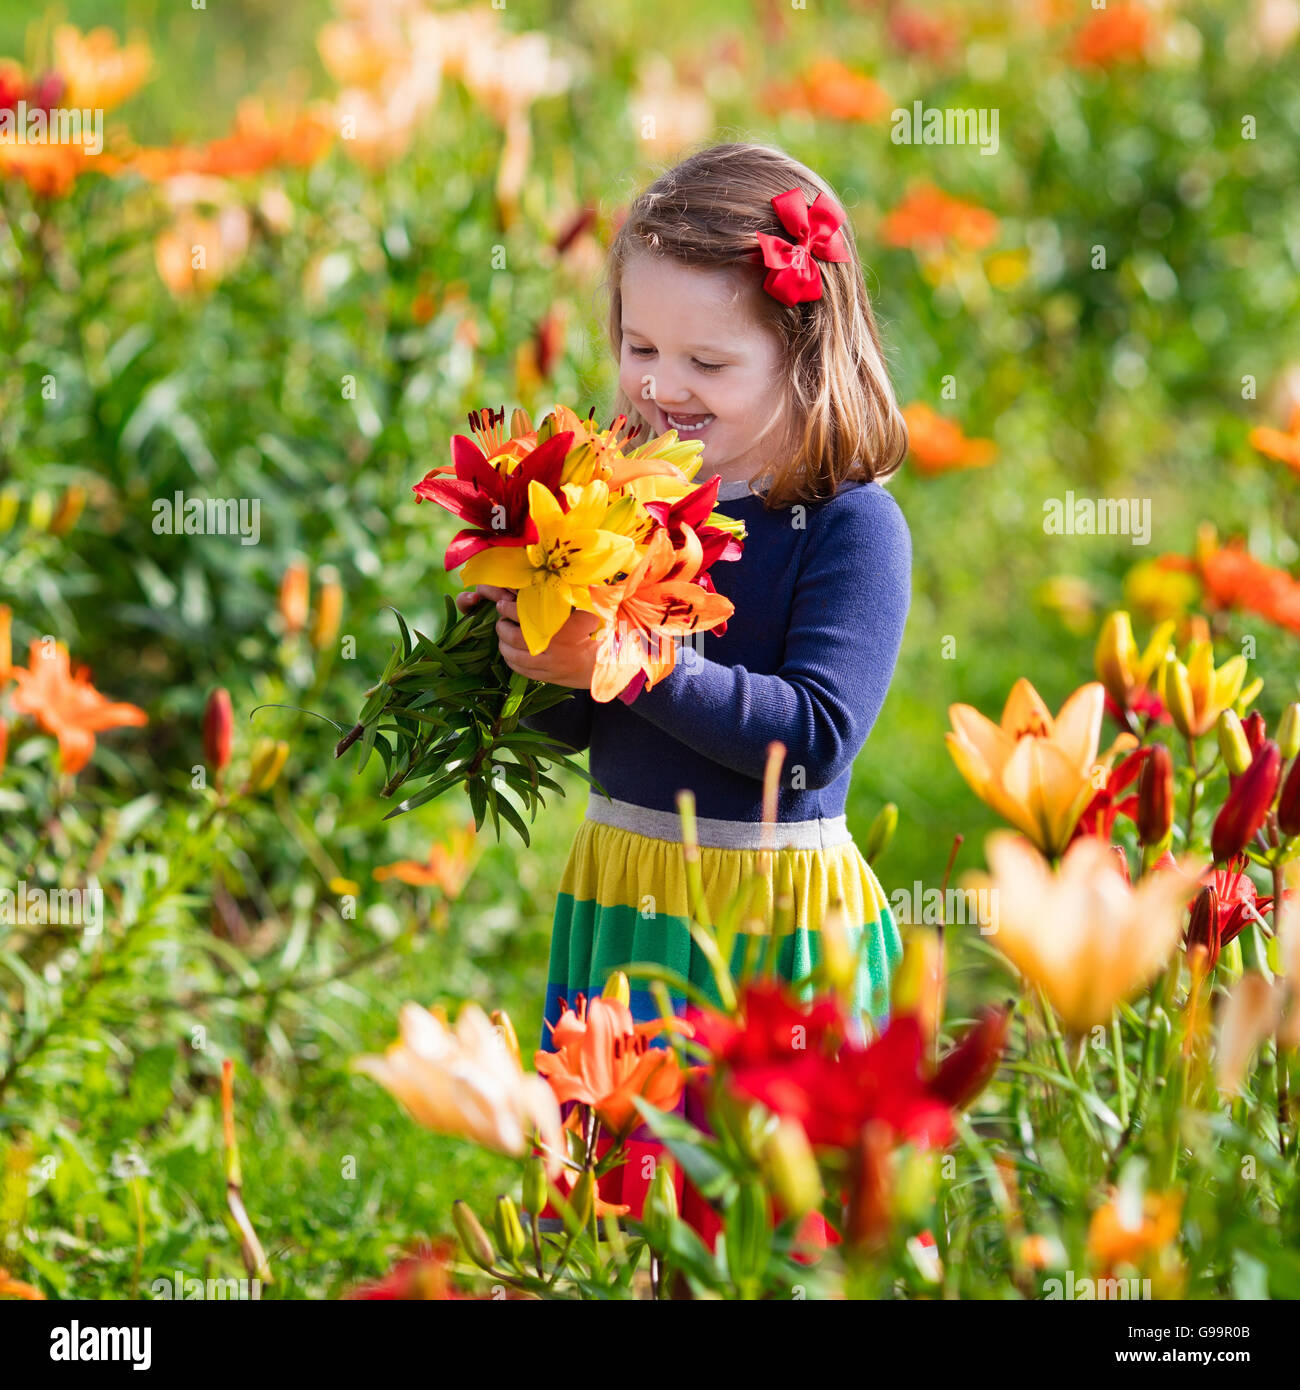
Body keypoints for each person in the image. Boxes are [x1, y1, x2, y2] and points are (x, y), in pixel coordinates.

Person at [456, 141, 912, 1240]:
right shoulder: (627, 503)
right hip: (626, 889)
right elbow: (586, 722)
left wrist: (627, 650)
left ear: (803, 353)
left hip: (770, 914)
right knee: (625, 1193)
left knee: (762, 1209)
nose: (659, 387)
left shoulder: (850, 526)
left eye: (707, 362)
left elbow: (808, 739)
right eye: (638, 344)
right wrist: (521, 644)